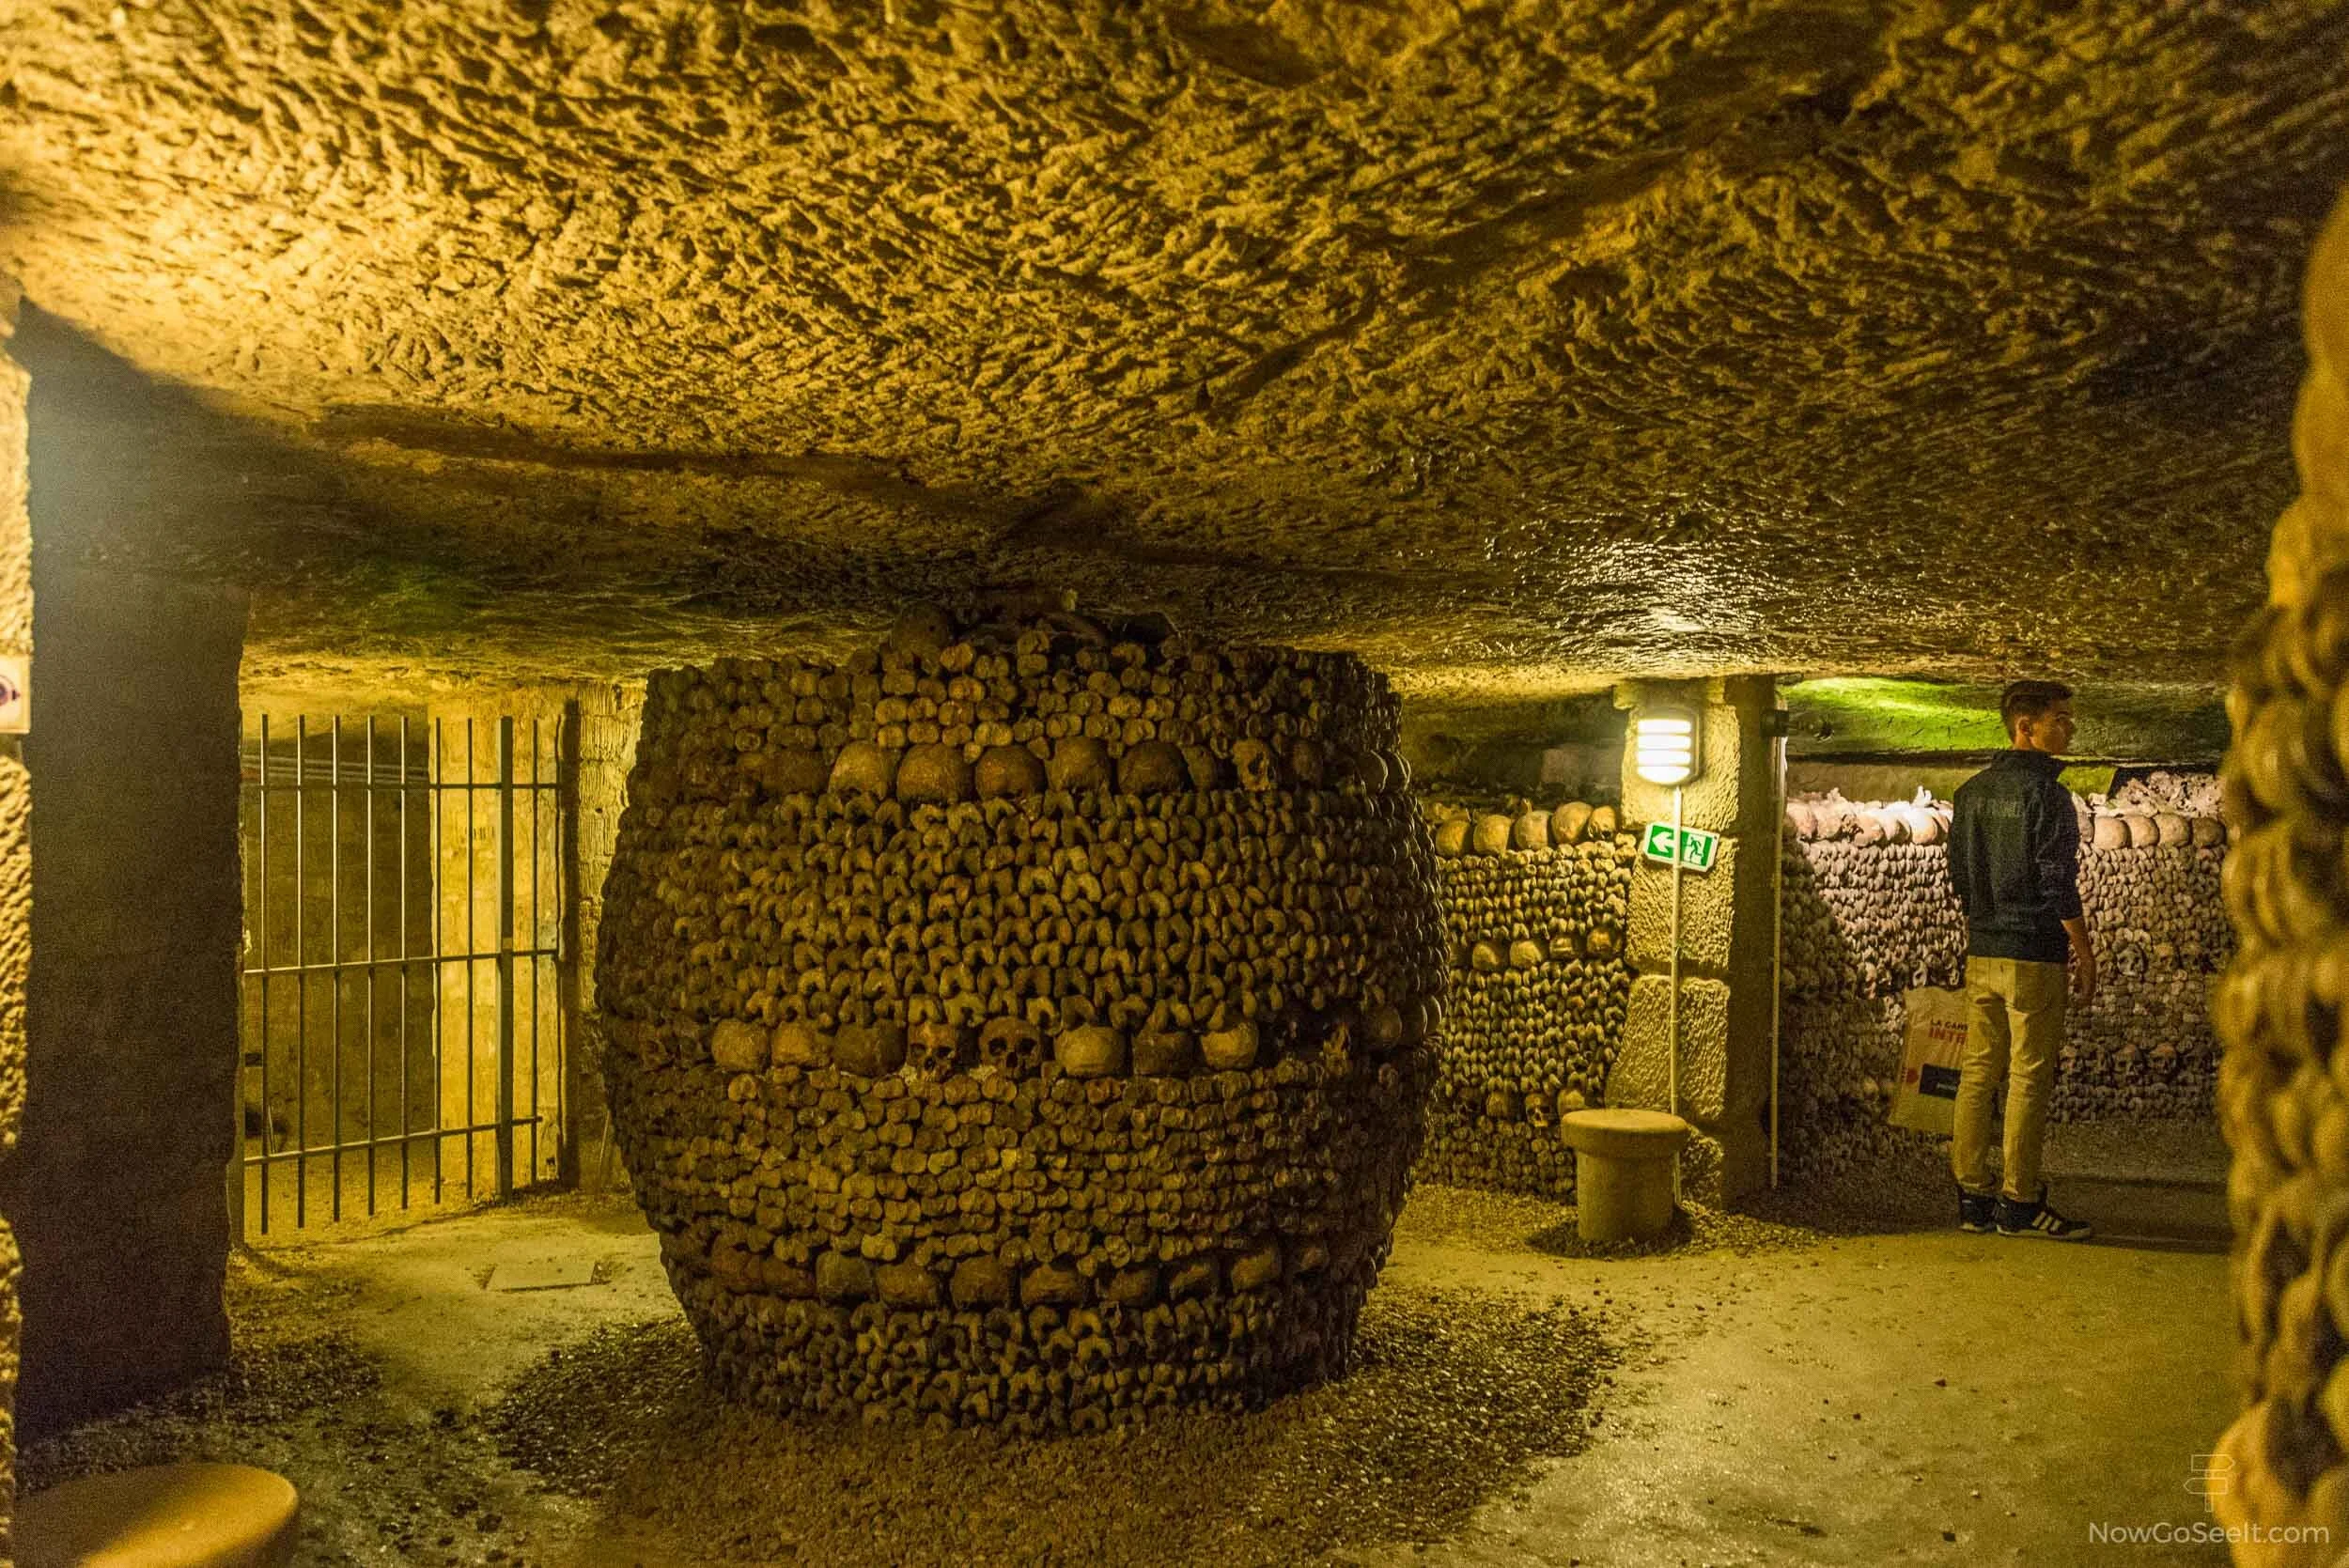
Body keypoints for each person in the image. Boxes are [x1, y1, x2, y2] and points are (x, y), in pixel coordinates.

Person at [1944, 680, 2096, 1240]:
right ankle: (2020, 1201)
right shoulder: (2049, 797)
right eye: (2060, 718)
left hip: (1982, 951)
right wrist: (2083, 949)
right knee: (2029, 1077)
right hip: (2033, 954)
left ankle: (1971, 1200)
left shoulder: (1970, 793)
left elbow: (1960, 878)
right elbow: (2059, 881)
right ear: (2025, 727)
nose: (2070, 727)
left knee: (1978, 1073)